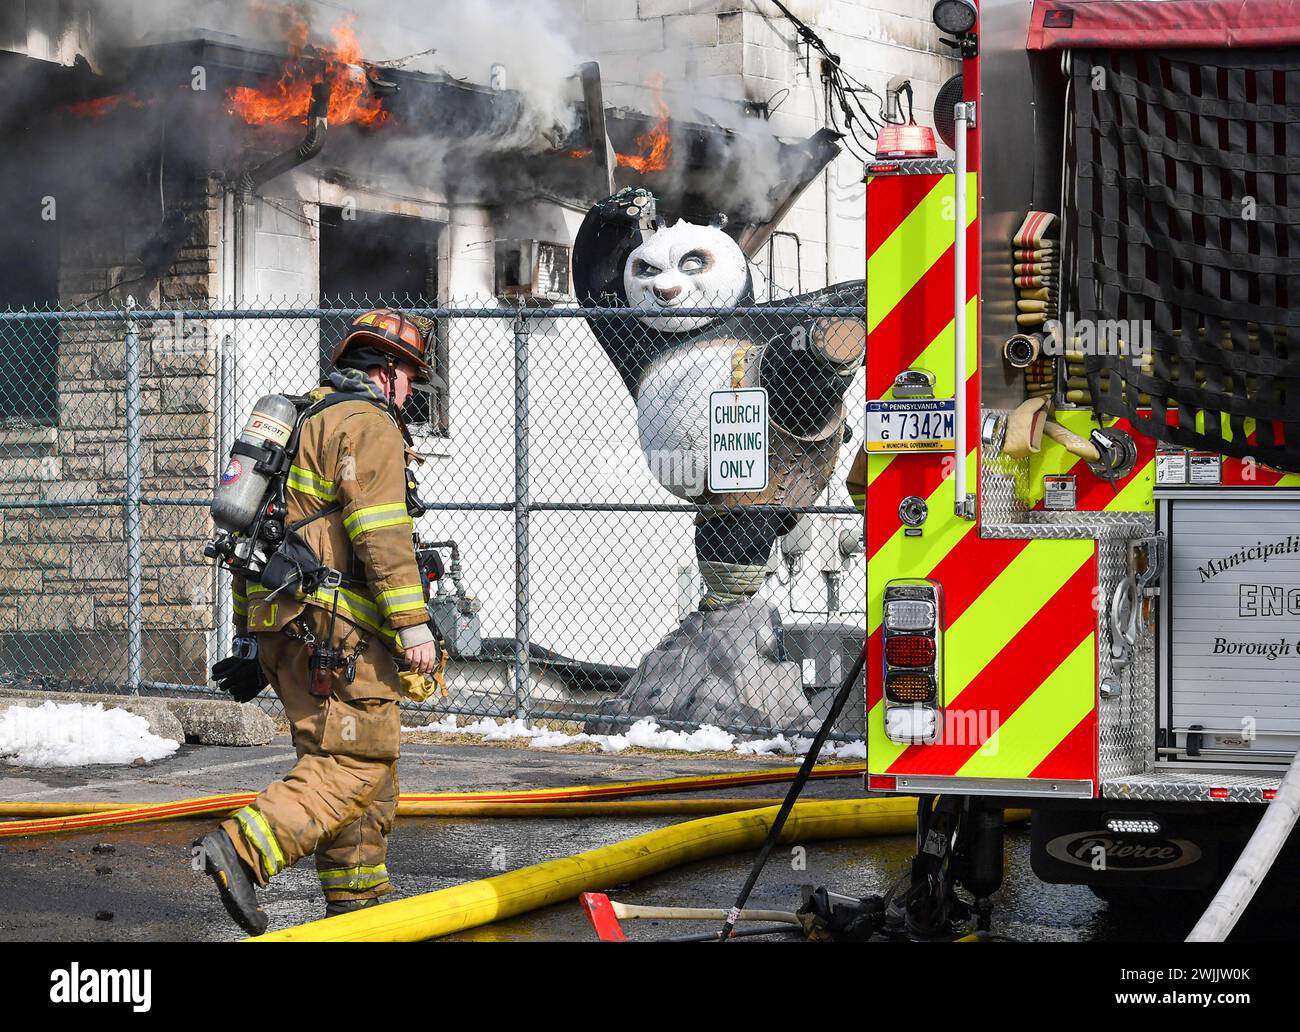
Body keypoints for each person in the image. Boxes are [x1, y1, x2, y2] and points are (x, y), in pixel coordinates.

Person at [195, 308, 441, 935]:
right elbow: (379, 532)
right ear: (388, 373)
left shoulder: (304, 418)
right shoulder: (369, 423)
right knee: (355, 761)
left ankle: (356, 903)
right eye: (410, 376)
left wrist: (253, 639)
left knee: (363, 763)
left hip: (288, 623)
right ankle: (244, 851)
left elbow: (252, 534)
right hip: (337, 632)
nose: (411, 390)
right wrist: (413, 624)